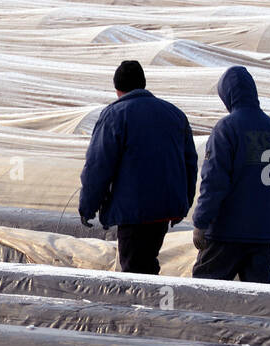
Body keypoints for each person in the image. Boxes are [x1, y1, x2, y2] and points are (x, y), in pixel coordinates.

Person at [79, 60, 198, 275]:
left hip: (134, 211)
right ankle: (154, 303)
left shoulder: (115, 115)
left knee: (135, 271)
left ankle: (144, 307)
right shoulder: (174, 114)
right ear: (143, 84)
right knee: (146, 262)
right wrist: (184, 202)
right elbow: (189, 163)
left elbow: (99, 165)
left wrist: (88, 207)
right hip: (164, 209)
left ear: (117, 89)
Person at [191, 66, 270, 284]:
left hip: (227, 232)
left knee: (204, 294)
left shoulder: (227, 127)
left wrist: (201, 221)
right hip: (262, 232)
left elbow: (214, 180)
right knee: (260, 302)